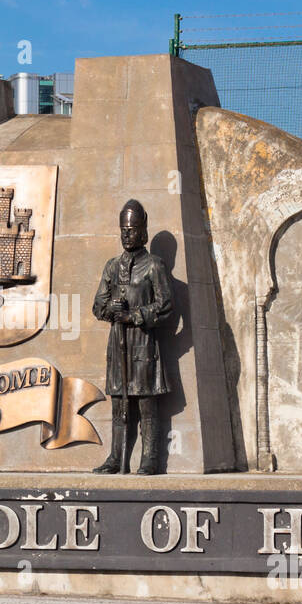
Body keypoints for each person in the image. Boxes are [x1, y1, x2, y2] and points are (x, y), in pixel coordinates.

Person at [91, 199, 173, 475]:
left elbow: (166, 306)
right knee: (119, 404)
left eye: (132, 230)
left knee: (146, 404)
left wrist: (135, 315)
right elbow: (97, 306)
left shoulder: (154, 266)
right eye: (123, 230)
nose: (127, 235)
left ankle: (149, 459)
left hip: (143, 343)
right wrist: (110, 309)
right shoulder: (112, 266)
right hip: (118, 344)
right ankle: (115, 457)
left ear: (143, 231)